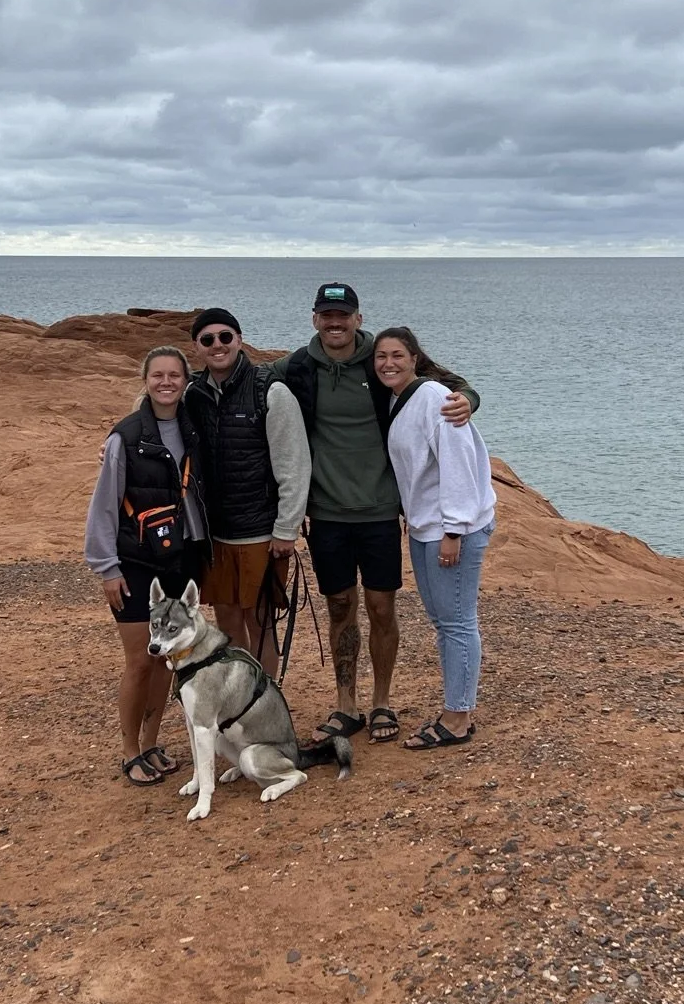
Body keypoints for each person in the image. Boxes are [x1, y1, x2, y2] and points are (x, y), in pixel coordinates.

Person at [257, 283, 475, 745]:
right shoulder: (297, 366)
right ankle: (345, 704)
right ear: (315, 318)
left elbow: (447, 383)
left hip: (378, 512)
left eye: (344, 315)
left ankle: (381, 701)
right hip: (327, 514)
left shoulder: (381, 359)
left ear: (357, 318)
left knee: (381, 608)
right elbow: (243, 379)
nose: (335, 323)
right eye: (327, 315)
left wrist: (470, 399)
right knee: (340, 608)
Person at [83, 345, 211, 786]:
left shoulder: (194, 426)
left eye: (174, 375)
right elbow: (103, 504)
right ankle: (129, 750)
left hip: (179, 558)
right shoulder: (125, 437)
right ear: (145, 380)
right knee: (141, 660)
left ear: (185, 380)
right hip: (135, 562)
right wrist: (106, 567)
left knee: (167, 659)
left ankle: (153, 742)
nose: (166, 383)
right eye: (157, 375)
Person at [373, 326, 495, 749]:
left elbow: (457, 461)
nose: (388, 363)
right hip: (425, 526)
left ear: (414, 358)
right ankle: (455, 708)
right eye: (381, 357)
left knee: (458, 623)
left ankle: (458, 719)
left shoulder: (433, 398)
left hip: (449, 529)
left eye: (397, 355)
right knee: (444, 621)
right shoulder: (395, 398)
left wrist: (454, 531)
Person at [181, 308, 311, 670]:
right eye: (207, 339)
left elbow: (294, 464)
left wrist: (286, 528)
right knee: (226, 622)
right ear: (197, 347)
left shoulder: (270, 390)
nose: (217, 345)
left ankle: (264, 702)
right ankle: (236, 698)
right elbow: (150, 410)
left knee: (262, 624)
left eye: (225, 336)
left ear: (239, 340)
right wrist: (114, 442)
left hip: (260, 533)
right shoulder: (192, 393)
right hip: (214, 535)